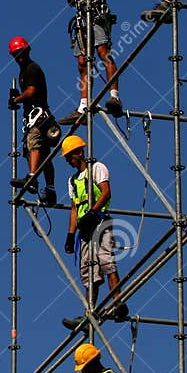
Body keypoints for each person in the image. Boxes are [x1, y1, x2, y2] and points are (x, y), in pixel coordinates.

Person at [60, 135, 128, 328]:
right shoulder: (72, 181)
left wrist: (93, 211)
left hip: (100, 222)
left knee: (107, 262)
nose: (68, 160)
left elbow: (106, 192)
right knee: (90, 272)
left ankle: (118, 303)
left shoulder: (97, 168)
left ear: (79, 152)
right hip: (85, 230)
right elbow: (74, 208)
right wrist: (70, 234)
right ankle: (89, 313)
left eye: (69, 156)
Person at [58, 0, 122, 124]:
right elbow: (72, 1)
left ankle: (114, 96)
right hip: (81, 18)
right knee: (82, 63)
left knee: (104, 53)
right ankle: (84, 106)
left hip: (96, 14)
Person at [8, 36, 58, 206]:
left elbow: (31, 91)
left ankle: (32, 177)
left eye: (20, 52)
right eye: (15, 54)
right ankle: (50, 190)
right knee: (43, 155)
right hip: (36, 116)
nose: (18, 56)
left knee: (34, 144)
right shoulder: (24, 71)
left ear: (27, 50)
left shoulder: (31, 69)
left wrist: (16, 100)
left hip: (38, 116)